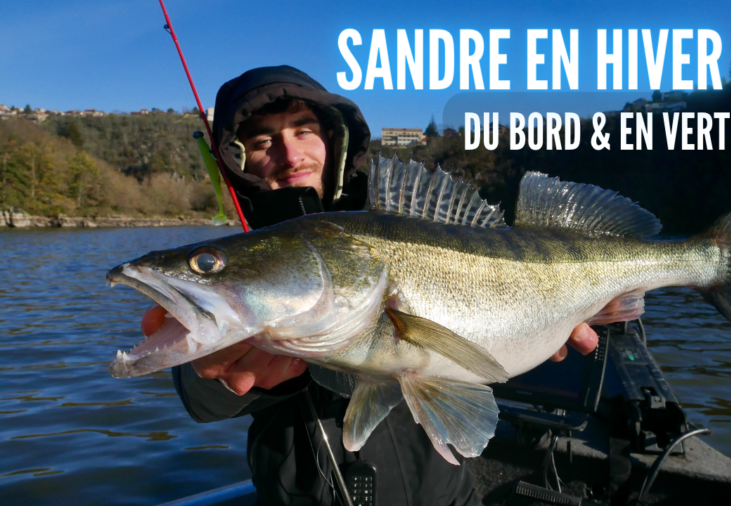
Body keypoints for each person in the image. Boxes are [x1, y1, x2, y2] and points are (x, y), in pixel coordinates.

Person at [140, 65, 599, 506]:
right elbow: (201, 401)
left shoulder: (400, 219)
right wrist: (216, 372)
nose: (290, 154)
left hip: (446, 495)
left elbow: (492, 346)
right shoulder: (244, 269)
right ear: (238, 160)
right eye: (263, 141)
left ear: (334, 139)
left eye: (303, 130)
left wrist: (549, 324)